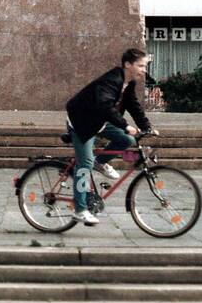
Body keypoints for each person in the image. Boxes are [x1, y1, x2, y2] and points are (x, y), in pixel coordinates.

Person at [65, 47, 154, 225]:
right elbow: (105, 105)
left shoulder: (128, 83)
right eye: (141, 66)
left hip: (100, 120)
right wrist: (125, 125)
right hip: (82, 121)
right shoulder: (112, 80)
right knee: (84, 164)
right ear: (128, 65)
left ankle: (100, 162)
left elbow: (133, 105)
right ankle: (80, 210)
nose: (144, 70)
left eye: (145, 66)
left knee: (126, 140)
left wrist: (147, 127)